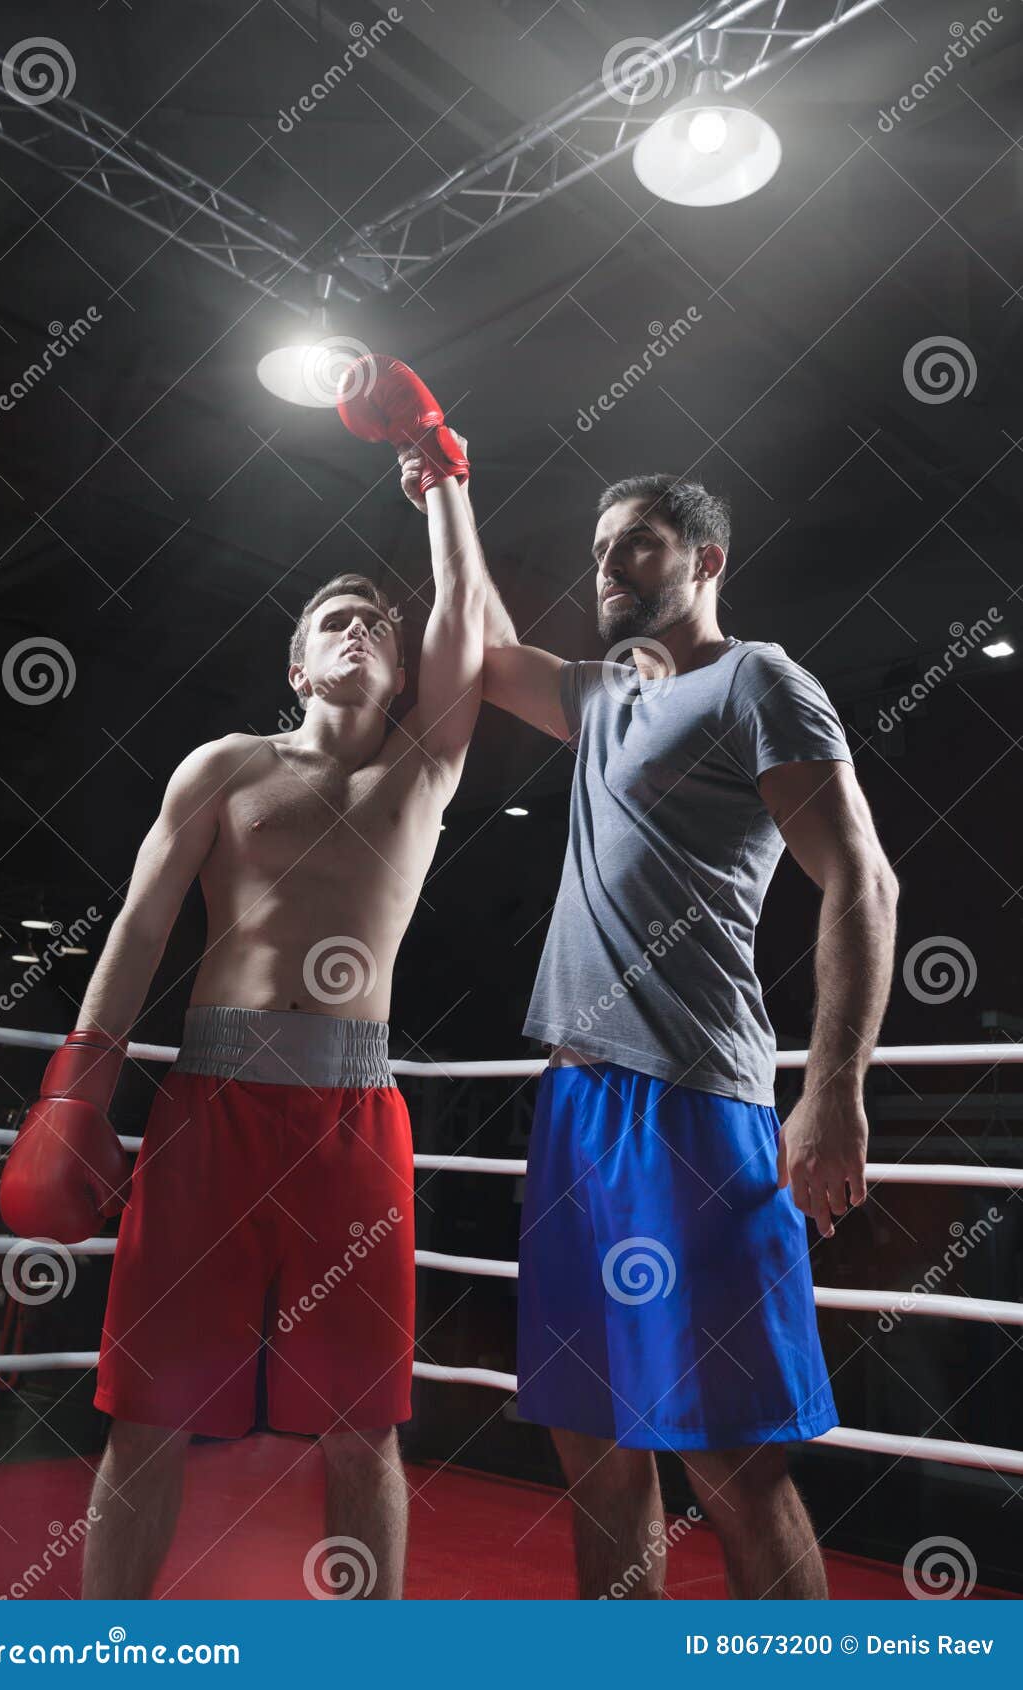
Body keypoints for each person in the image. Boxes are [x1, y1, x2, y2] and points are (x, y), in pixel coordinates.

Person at [1, 357, 482, 1600]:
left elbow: (465, 624)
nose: (363, 629)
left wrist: (435, 470)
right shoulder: (224, 766)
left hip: (349, 1121)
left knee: (361, 1421)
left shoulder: (420, 775)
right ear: (294, 666)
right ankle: (111, 1653)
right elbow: (142, 926)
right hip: (206, 1106)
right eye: (335, 620)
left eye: (378, 620)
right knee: (148, 1408)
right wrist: (76, 1092)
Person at [398, 451, 898, 1600]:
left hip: (690, 1103)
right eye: (598, 549)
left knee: (727, 1459)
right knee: (594, 1449)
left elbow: (860, 884)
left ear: (703, 558)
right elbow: (468, 643)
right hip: (576, 1109)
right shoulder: (598, 692)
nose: (609, 565)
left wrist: (830, 1090)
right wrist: (442, 482)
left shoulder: (756, 681)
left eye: (636, 542)